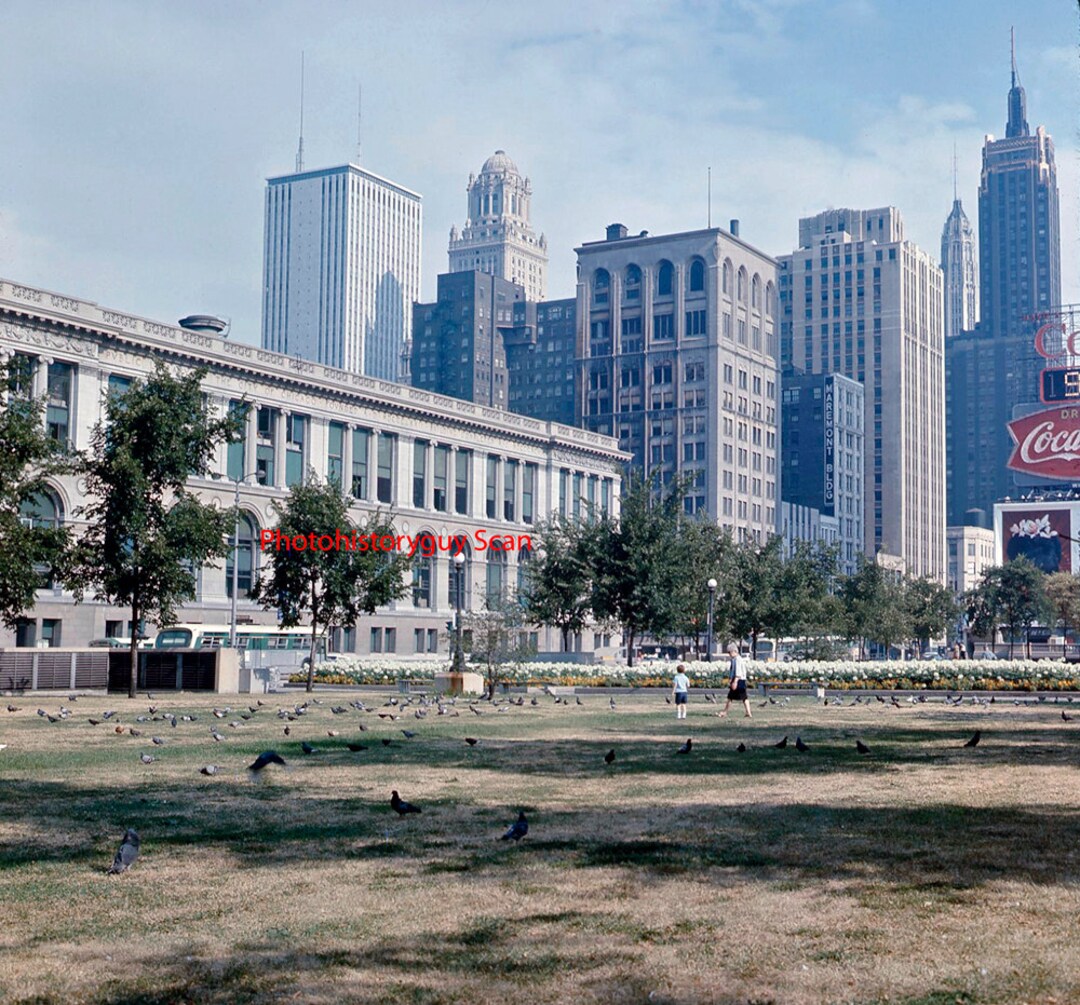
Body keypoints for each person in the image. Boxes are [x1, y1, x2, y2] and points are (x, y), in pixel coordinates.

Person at [718, 642, 752, 718]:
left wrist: (735, 682)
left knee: (731, 697)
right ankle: (748, 712)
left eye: (729, 652)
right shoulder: (735, 659)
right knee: (743, 697)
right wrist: (731, 679)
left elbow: (738, 672)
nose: (729, 654)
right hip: (740, 680)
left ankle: (725, 712)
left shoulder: (738, 660)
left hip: (738, 680)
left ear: (734, 651)